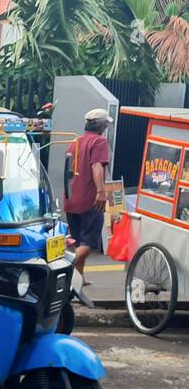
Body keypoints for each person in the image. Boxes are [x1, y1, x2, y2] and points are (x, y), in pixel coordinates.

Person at [62, 108, 112, 282]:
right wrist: (100, 191)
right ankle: (65, 267)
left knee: (77, 242)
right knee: (89, 243)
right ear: (102, 125)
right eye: (106, 124)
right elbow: (96, 166)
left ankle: (77, 281)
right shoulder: (99, 142)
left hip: (71, 198)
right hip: (89, 198)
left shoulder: (76, 141)